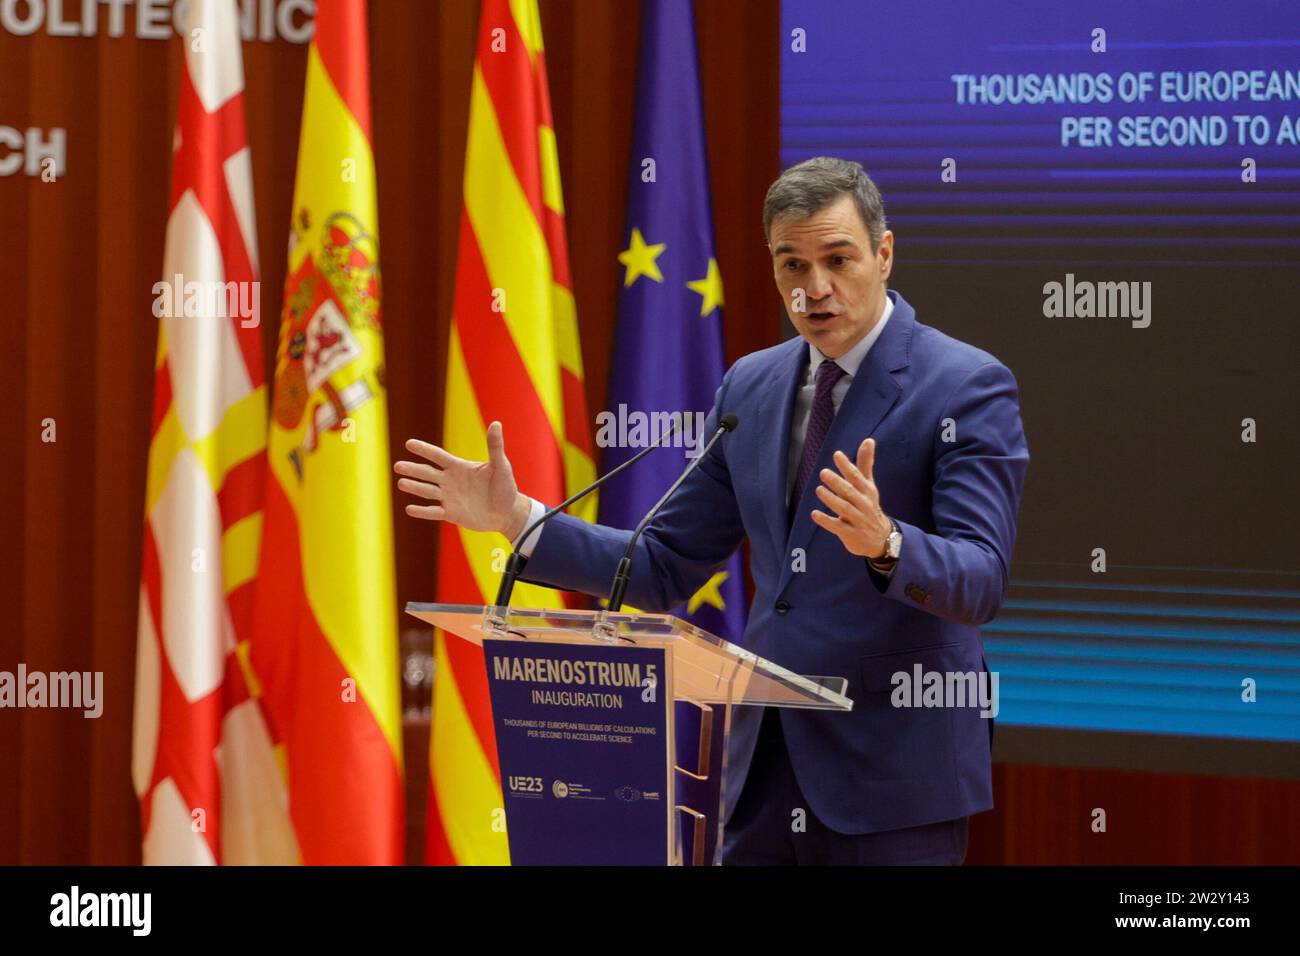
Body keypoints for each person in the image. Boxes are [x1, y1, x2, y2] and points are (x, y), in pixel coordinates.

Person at [395, 156, 1029, 865]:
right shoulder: (752, 386)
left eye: (837, 260)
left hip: (894, 777)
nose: (813, 289)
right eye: (791, 265)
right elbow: (663, 565)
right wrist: (518, 517)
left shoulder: (966, 386)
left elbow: (982, 580)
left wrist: (887, 543)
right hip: (760, 772)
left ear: (884, 254)